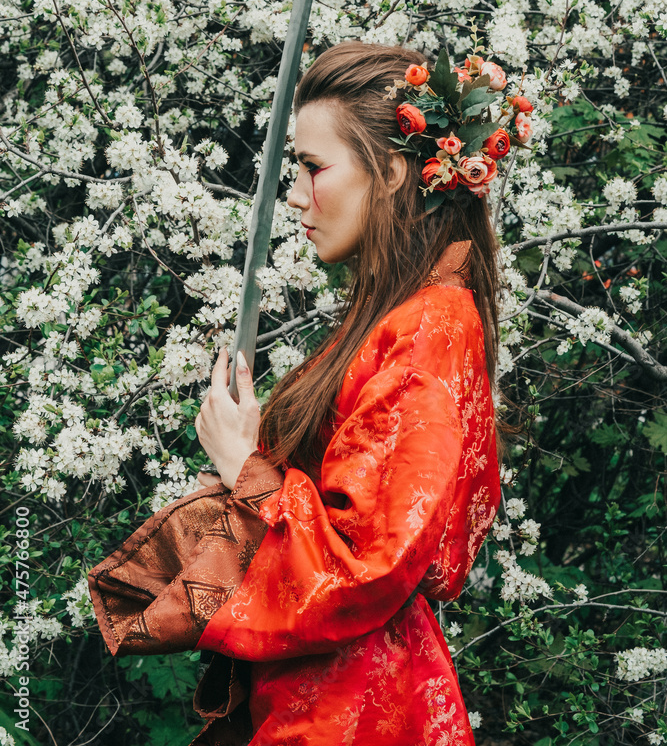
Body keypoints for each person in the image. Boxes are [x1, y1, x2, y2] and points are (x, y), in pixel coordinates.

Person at [89, 41, 502, 746]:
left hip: (352, 706)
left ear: (394, 172)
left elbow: (366, 564)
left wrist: (245, 468)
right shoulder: (399, 316)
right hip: (326, 693)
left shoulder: (429, 326)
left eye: (314, 167)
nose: (297, 194)